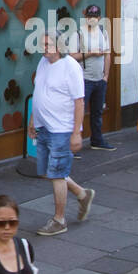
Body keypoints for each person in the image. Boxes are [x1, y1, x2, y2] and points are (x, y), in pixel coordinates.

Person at [29, 34, 96, 235]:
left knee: (56, 173)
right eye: (42, 43)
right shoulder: (43, 62)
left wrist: (77, 133)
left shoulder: (71, 67)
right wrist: (33, 119)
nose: (44, 47)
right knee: (46, 171)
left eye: (48, 44)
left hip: (62, 129)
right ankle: (82, 194)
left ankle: (59, 220)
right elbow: (38, 91)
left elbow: (79, 102)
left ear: (59, 46)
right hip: (44, 127)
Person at [73, 3, 115, 151]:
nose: (92, 19)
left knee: (97, 112)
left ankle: (97, 140)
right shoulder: (78, 33)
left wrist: (106, 76)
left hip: (100, 80)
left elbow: (107, 55)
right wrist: (91, 53)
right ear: (85, 17)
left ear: (99, 17)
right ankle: (74, 144)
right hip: (84, 79)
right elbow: (72, 57)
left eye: (95, 16)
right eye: (90, 16)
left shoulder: (103, 32)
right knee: (78, 112)